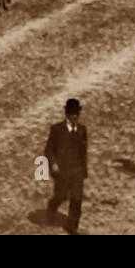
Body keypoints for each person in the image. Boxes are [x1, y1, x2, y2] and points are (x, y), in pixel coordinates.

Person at [45, 98, 88, 234]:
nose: (75, 116)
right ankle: (52, 206)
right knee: (61, 196)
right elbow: (49, 149)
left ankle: (72, 226)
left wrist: (83, 170)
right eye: (72, 113)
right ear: (67, 114)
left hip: (77, 171)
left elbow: (83, 152)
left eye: (76, 113)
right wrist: (53, 164)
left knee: (77, 198)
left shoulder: (82, 130)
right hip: (62, 171)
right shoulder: (57, 129)